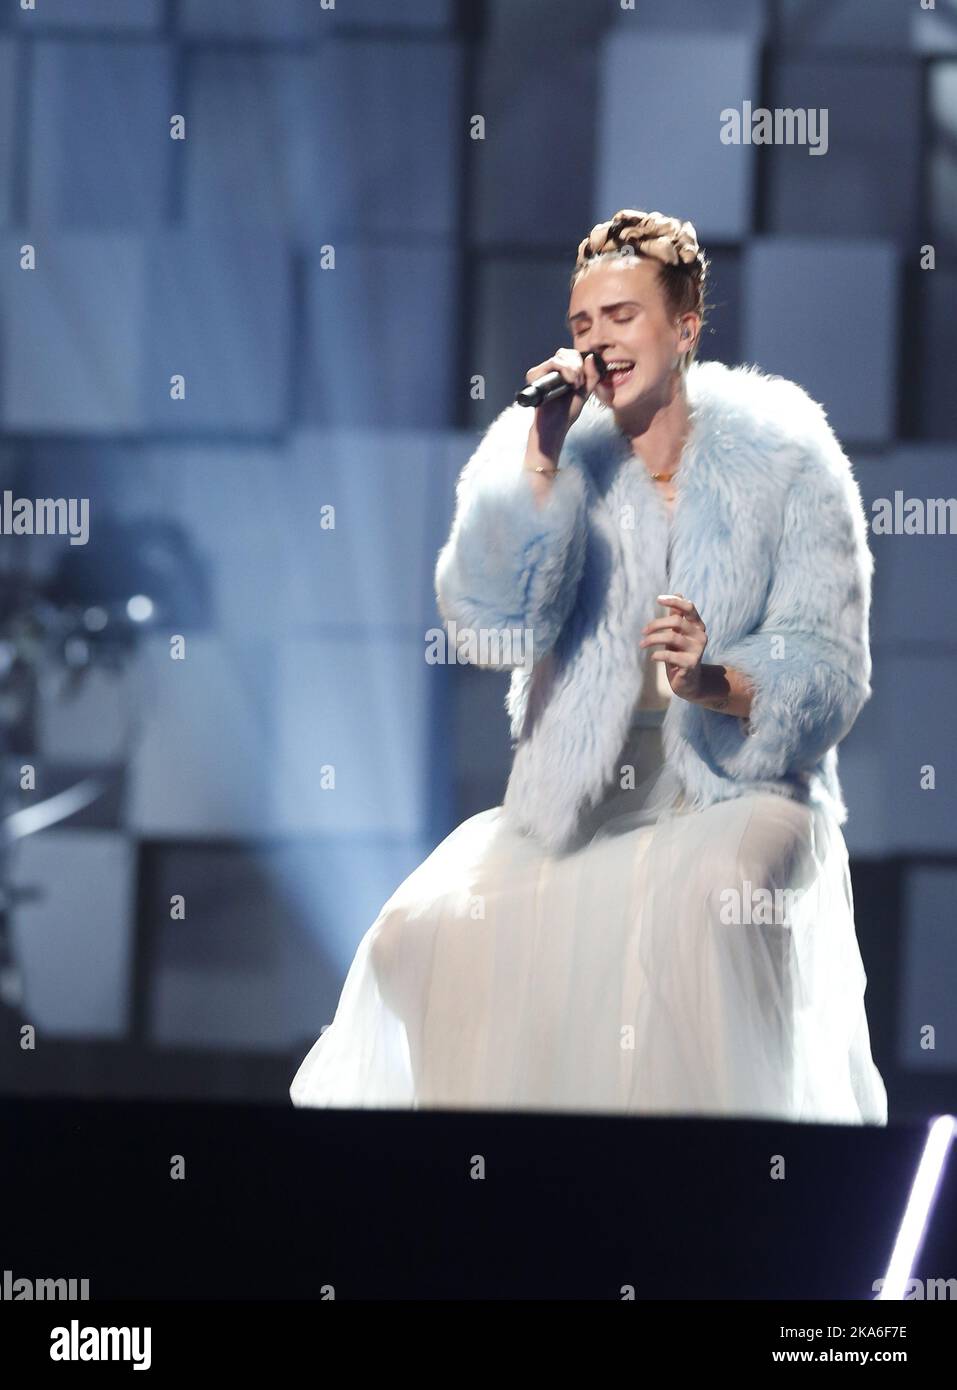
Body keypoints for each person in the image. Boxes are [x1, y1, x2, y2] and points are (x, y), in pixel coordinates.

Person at [290, 208, 888, 1125]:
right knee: (423, 934)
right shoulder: (557, 451)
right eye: (581, 324)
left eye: (620, 317)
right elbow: (490, 624)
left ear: (684, 327)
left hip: (735, 785)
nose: (598, 343)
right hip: (586, 795)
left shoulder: (786, 455)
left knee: (702, 908)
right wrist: (538, 456)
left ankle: (713, 1198)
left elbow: (828, 667)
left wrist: (713, 682)